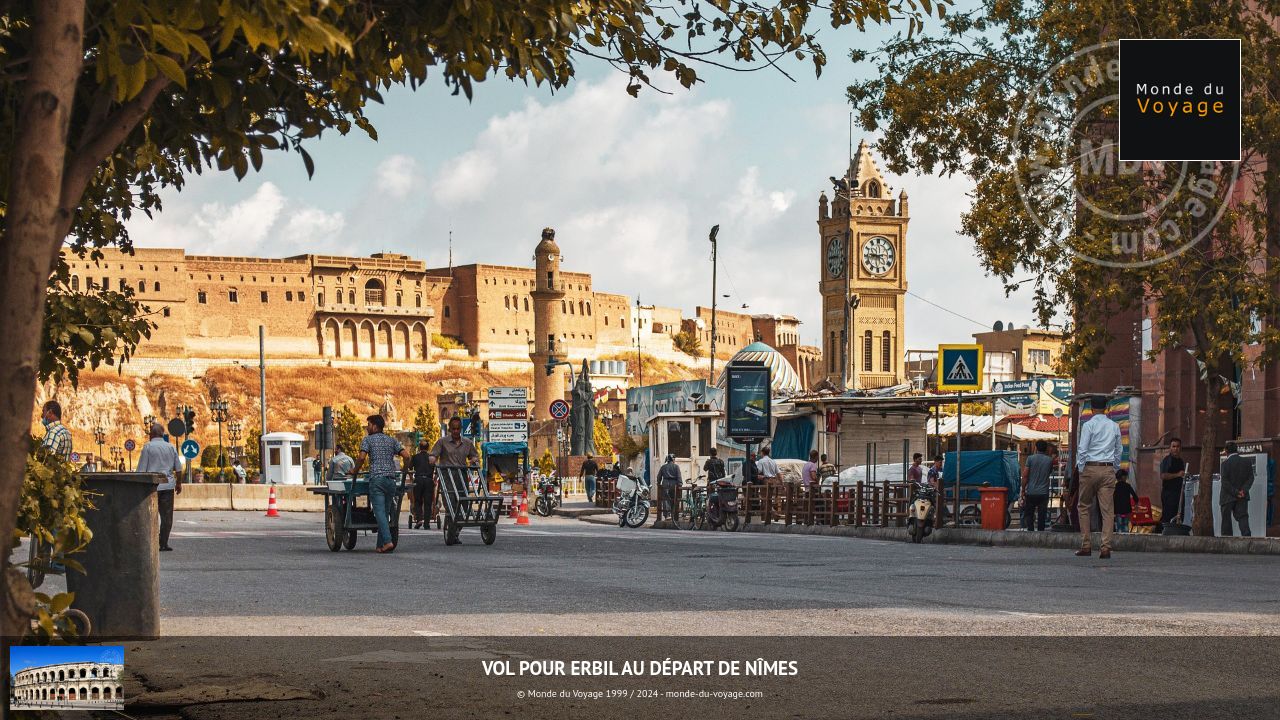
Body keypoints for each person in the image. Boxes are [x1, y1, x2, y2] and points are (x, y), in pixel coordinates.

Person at [351, 414, 410, 553]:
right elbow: (407, 456)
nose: (367, 428)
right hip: (391, 480)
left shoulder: (368, 440)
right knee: (384, 512)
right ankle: (380, 546)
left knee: (379, 513)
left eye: (369, 425)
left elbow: (361, 457)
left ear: (375, 426)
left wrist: (354, 470)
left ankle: (388, 542)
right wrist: (404, 470)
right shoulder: (392, 440)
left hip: (377, 480)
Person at [1074, 395, 1122, 558]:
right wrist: (1114, 468)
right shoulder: (1114, 426)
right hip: (1107, 469)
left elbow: (1082, 449)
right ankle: (1105, 547)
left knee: (1084, 506)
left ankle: (1086, 545)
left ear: (1092, 409)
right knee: (1107, 510)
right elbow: (1119, 450)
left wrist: (1082, 469)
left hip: (1090, 468)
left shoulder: (1088, 425)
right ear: (1107, 409)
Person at [136, 422, 183, 551]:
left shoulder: (148, 447)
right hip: (167, 486)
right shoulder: (171, 447)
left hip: (152, 487)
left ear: (151, 434)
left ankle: (151, 542)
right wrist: (178, 483)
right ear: (162, 434)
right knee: (167, 517)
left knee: (151, 515)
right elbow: (178, 469)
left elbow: (141, 470)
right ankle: (163, 543)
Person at [1219, 441, 1255, 537]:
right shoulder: (1247, 462)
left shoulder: (1225, 464)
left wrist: (1235, 492)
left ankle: (1227, 539)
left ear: (1226, 451)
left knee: (1226, 519)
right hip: (1243, 495)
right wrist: (1243, 490)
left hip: (1227, 496)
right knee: (1243, 516)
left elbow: (1225, 482)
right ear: (1237, 450)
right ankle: (1247, 536)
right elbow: (1251, 478)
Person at [1021, 440, 1053, 532]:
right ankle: (1040, 533)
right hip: (1044, 493)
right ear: (1046, 449)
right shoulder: (1049, 460)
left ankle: (1030, 532)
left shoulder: (1030, 459)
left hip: (1031, 492)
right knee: (1042, 515)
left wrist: (1023, 489)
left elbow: (1025, 475)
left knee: (1029, 514)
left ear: (1036, 447)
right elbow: (1049, 472)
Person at [1158, 438, 1186, 530]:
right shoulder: (1167, 460)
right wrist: (1177, 474)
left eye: (1177, 446)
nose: (1175, 449)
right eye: (1173, 446)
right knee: (1168, 516)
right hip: (1169, 493)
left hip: (1179, 493)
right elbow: (1163, 475)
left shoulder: (1181, 461)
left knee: (1179, 515)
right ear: (1170, 448)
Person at [410, 439, 436, 529]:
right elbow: (436, 470)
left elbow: (410, 470)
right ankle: (427, 524)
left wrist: (411, 479)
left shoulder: (415, 457)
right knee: (428, 502)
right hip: (429, 480)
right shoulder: (431, 458)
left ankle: (419, 519)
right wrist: (434, 480)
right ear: (428, 448)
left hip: (418, 480)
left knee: (417, 501)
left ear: (420, 447)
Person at [1113, 468, 1140, 533]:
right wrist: (1136, 503)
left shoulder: (1115, 486)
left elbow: (1112, 497)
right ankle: (1126, 539)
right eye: (1126, 476)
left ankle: (1119, 540)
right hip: (1126, 509)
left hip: (1118, 510)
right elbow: (1135, 496)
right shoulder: (1128, 486)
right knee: (1125, 525)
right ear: (1123, 477)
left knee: (1119, 526)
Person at [657, 453, 682, 521]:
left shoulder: (663, 467)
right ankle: (674, 515)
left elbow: (659, 476)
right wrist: (680, 484)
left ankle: (667, 515)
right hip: (674, 484)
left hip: (665, 483)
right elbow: (679, 476)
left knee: (666, 499)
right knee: (674, 499)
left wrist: (658, 483)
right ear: (673, 459)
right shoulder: (676, 466)